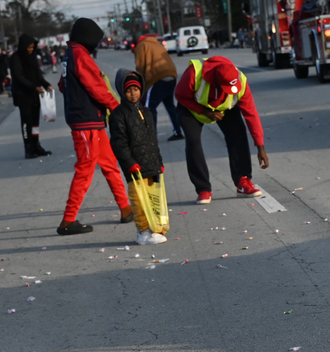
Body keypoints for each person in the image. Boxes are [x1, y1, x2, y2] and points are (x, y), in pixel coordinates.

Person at [58, 17, 131, 236]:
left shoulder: (69, 55)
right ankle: (68, 220)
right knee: (85, 170)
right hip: (86, 122)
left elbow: (63, 86)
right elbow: (96, 86)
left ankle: (126, 209)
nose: (96, 45)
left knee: (109, 164)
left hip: (89, 120)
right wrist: (117, 108)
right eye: (95, 40)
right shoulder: (80, 55)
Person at [174, 56, 269, 203]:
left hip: (224, 109)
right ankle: (203, 189)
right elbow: (180, 95)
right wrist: (205, 112)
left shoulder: (241, 80)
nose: (230, 92)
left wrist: (260, 146)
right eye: (226, 88)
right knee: (193, 141)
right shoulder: (195, 73)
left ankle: (243, 181)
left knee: (238, 133)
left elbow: (251, 113)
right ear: (215, 80)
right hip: (191, 108)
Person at [109, 70, 169, 245]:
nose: (133, 93)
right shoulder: (118, 115)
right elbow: (119, 143)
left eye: (136, 89)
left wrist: (159, 162)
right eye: (128, 90)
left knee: (154, 200)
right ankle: (142, 231)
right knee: (139, 201)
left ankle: (156, 229)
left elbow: (153, 140)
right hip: (134, 168)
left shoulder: (147, 112)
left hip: (151, 164)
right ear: (122, 92)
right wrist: (129, 163)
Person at [9, 34, 53, 159]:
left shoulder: (32, 57)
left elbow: (38, 75)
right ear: (23, 46)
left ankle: (36, 144)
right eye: (28, 47)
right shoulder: (15, 58)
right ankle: (28, 147)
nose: (30, 50)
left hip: (35, 94)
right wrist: (33, 87)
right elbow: (18, 76)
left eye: (32, 47)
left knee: (35, 122)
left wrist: (46, 84)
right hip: (23, 95)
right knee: (26, 122)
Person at [133, 34, 183, 141]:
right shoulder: (158, 45)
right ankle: (178, 132)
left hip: (157, 77)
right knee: (170, 105)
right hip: (171, 75)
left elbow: (140, 65)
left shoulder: (142, 46)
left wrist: (142, 83)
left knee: (149, 107)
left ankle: (151, 136)